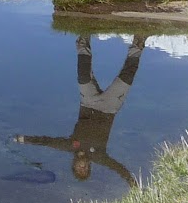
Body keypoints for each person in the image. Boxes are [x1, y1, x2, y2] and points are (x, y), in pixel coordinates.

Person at [15, 31, 144, 185]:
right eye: (85, 170)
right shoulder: (99, 156)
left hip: (88, 103)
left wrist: (24, 139)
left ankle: (84, 37)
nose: (82, 167)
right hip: (109, 107)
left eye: (78, 169)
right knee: (127, 76)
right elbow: (116, 167)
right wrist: (131, 180)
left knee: (83, 76)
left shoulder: (70, 146)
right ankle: (139, 41)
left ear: (74, 165)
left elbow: (47, 141)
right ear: (89, 167)